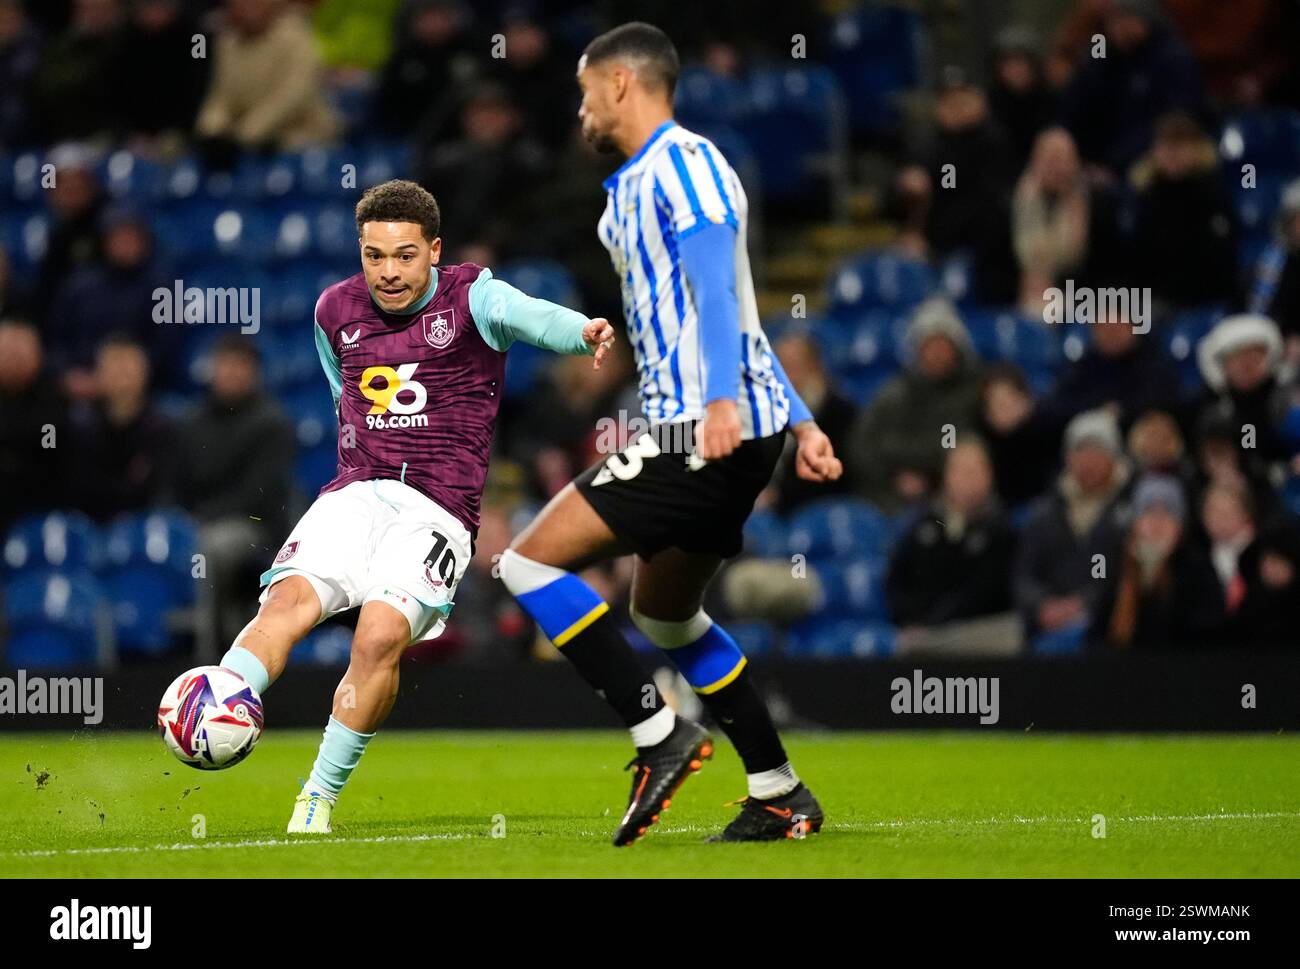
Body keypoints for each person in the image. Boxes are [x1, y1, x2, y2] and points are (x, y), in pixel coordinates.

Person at [497, 23, 843, 845]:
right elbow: (746, 315)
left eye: (585, 89)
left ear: (621, 82)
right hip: (727, 423)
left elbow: (722, 298)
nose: (579, 108)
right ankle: (779, 789)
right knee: (662, 615)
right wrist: (800, 418)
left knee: (524, 558)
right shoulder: (632, 189)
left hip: (703, 426)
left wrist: (722, 401)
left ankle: (658, 732)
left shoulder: (682, 164)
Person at [200, 180, 617, 834]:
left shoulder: (474, 295)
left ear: (434, 251)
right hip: (356, 491)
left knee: (378, 634)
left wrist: (581, 331)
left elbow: (536, 315)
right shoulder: (333, 310)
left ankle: (316, 795)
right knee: (283, 606)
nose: (388, 271)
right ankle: (214, 709)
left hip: (438, 506)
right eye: (374, 255)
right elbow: (346, 397)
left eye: (403, 255)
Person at [847, 296, 984, 513]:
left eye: (943, 345)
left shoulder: (973, 395)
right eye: (929, 345)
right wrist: (895, 476)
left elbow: (959, 448)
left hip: (950, 498)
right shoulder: (892, 395)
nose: (937, 354)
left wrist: (927, 476)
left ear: (957, 349)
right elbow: (862, 448)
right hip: (886, 495)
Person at [1014, 408, 1132, 649]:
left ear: (1114, 455)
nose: (1088, 460)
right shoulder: (1044, 513)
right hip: (1046, 630)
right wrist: (1041, 605)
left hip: (1108, 635)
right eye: (1080, 450)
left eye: (1096, 450)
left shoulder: (1129, 509)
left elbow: (1121, 576)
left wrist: (1083, 605)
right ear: (1067, 458)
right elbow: (1024, 574)